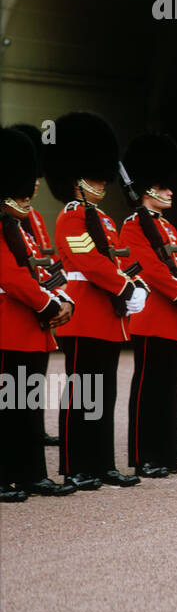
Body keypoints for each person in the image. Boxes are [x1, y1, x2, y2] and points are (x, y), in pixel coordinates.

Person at [47, 112, 146, 489]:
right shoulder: (71, 217)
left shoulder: (101, 218)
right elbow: (88, 260)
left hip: (106, 315)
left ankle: (102, 463)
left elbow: (116, 258)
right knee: (82, 391)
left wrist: (137, 282)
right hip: (85, 314)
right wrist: (125, 286)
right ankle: (76, 465)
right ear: (77, 178)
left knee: (104, 393)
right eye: (94, 177)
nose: (101, 183)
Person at [120, 133, 177, 479]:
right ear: (147, 190)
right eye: (164, 186)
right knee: (149, 390)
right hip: (152, 318)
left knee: (172, 389)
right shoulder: (132, 227)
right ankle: (145, 455)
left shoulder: (168, 228)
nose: (172, 192)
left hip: (174, 319)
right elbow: (150, 270)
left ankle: (171, 452)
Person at [0, 127, 77, 499]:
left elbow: (43, 270)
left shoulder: (21, 228)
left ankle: (31, 473)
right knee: (6, 406)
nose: (31, 189)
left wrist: (64, 299)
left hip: (31, 327)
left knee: (27, 407)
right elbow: (12, 277)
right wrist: (48, 304)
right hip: (8, 327)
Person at [11, 123, 60, 447]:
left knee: (32, 381)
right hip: (18, 310)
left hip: (39, 308)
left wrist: (59, 293)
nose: (37, 184)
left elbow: (47, 257)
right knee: (13, 388)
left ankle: (34, 431)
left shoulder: (36, 218)